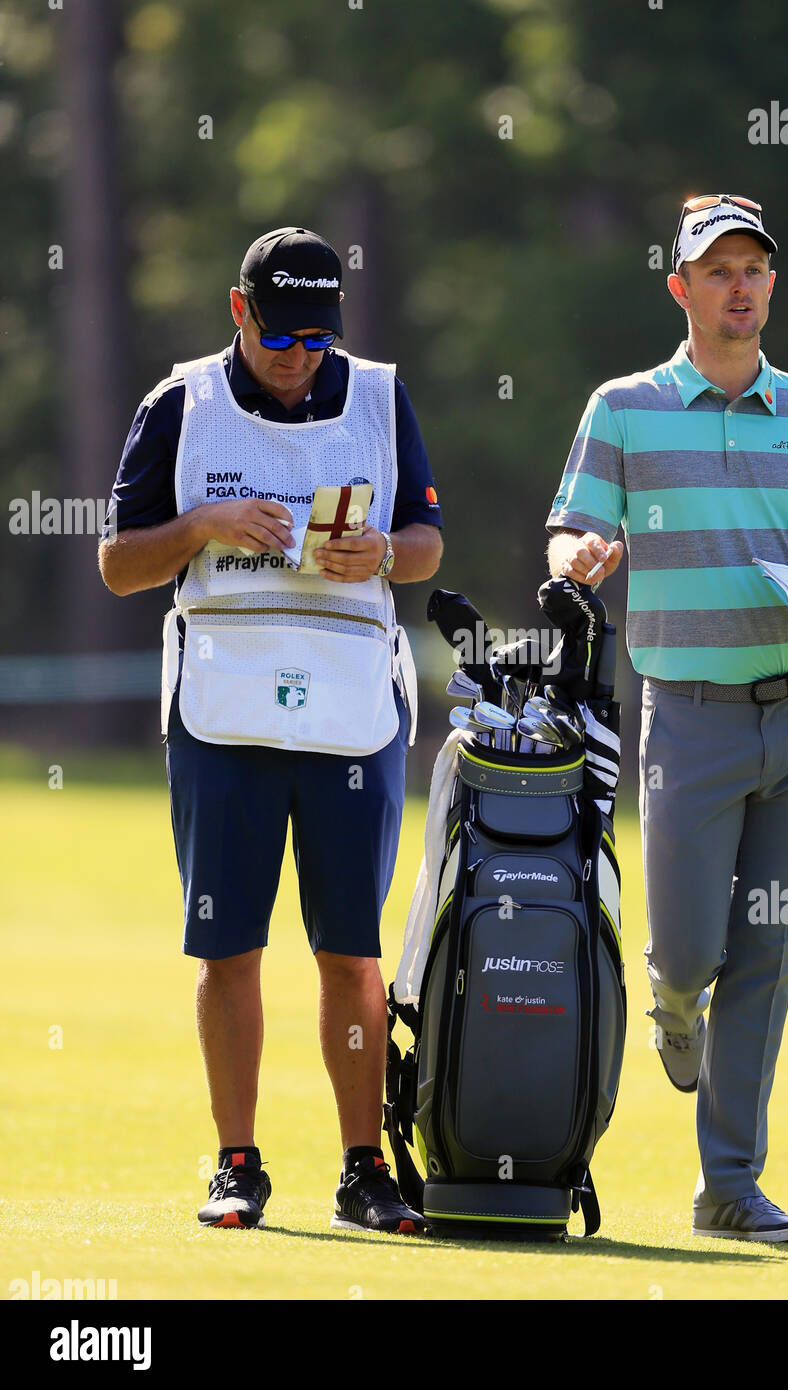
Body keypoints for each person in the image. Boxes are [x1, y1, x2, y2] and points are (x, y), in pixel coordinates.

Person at [98, 226, 443, 1234]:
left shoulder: (376, 394)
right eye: (281, 336)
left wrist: (382, 550)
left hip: (350, 709)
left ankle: (363, 1168)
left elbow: (427, 542)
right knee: (228, 946)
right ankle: (237, 1163)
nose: (299, 359)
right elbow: (119, 563)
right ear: (239, 312)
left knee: (352, 951)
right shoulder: (181, 402)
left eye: (316, 340)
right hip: (221, 707)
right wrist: (203, 525)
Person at [545, 195, 788, 1242]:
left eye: (755, 269)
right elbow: (573, 529)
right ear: (681, 287)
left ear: (772, 285)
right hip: (689, 717)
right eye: (718, 270)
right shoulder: (625, 406)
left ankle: (730, 1188)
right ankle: (673, 1004)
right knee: (689, 953)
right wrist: (580, 562)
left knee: (767, 951)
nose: (740, 286)